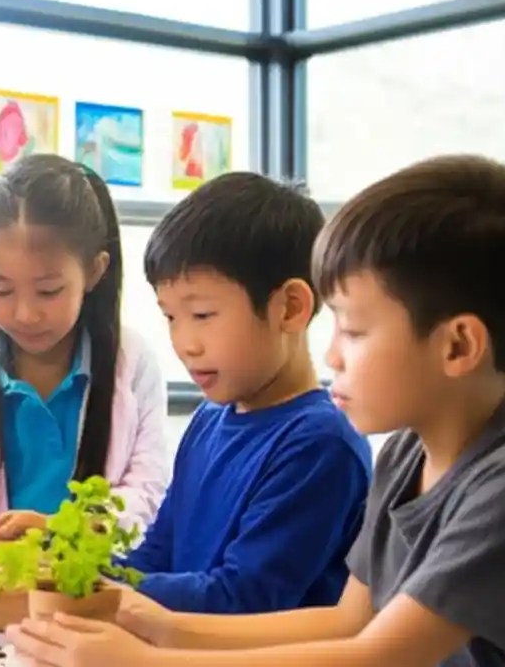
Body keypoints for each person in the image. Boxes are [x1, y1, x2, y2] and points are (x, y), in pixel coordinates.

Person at [7, 154, 505, 667]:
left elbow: (381, 654)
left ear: (457, 345)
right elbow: (349, 619)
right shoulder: (409, 451)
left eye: (353, 331)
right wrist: (142, 617)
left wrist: (149, 660)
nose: (331, 353)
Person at [0, 155, 169, 629]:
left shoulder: (133, 363)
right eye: (2, 288)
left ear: (95, 272)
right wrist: (2, 571)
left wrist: (60, 541)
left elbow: (146, 498)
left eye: (48, 290)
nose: (24, 314)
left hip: (100, 604)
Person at [118, 172, 372, 614]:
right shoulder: (208, 419)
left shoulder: (321, 445)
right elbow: (157, 555)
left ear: (290, 307)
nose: (184, 343)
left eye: (202, 314)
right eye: (171, 318)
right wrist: (57, 567)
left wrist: (95, 597)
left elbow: (241, 598)